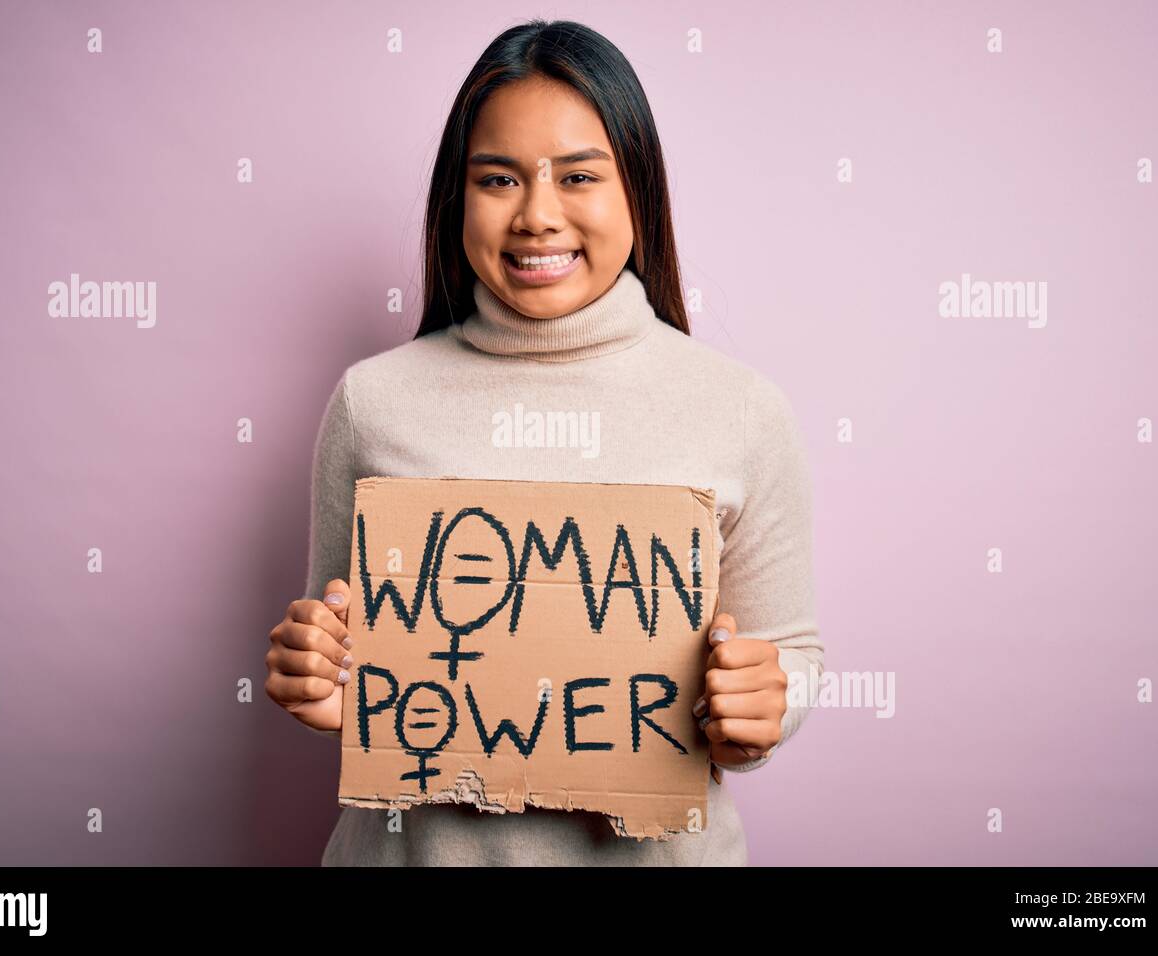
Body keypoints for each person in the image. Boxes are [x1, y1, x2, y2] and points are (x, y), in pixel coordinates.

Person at [265, 18, 823, 866]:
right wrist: (317, 672)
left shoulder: (741, 410)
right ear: (458, 197)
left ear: (637, 188)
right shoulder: (371, 402)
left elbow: (791, 653)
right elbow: (340, 650)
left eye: (578, 176)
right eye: (498, 178)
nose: (536, 215)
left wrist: (764, 707)